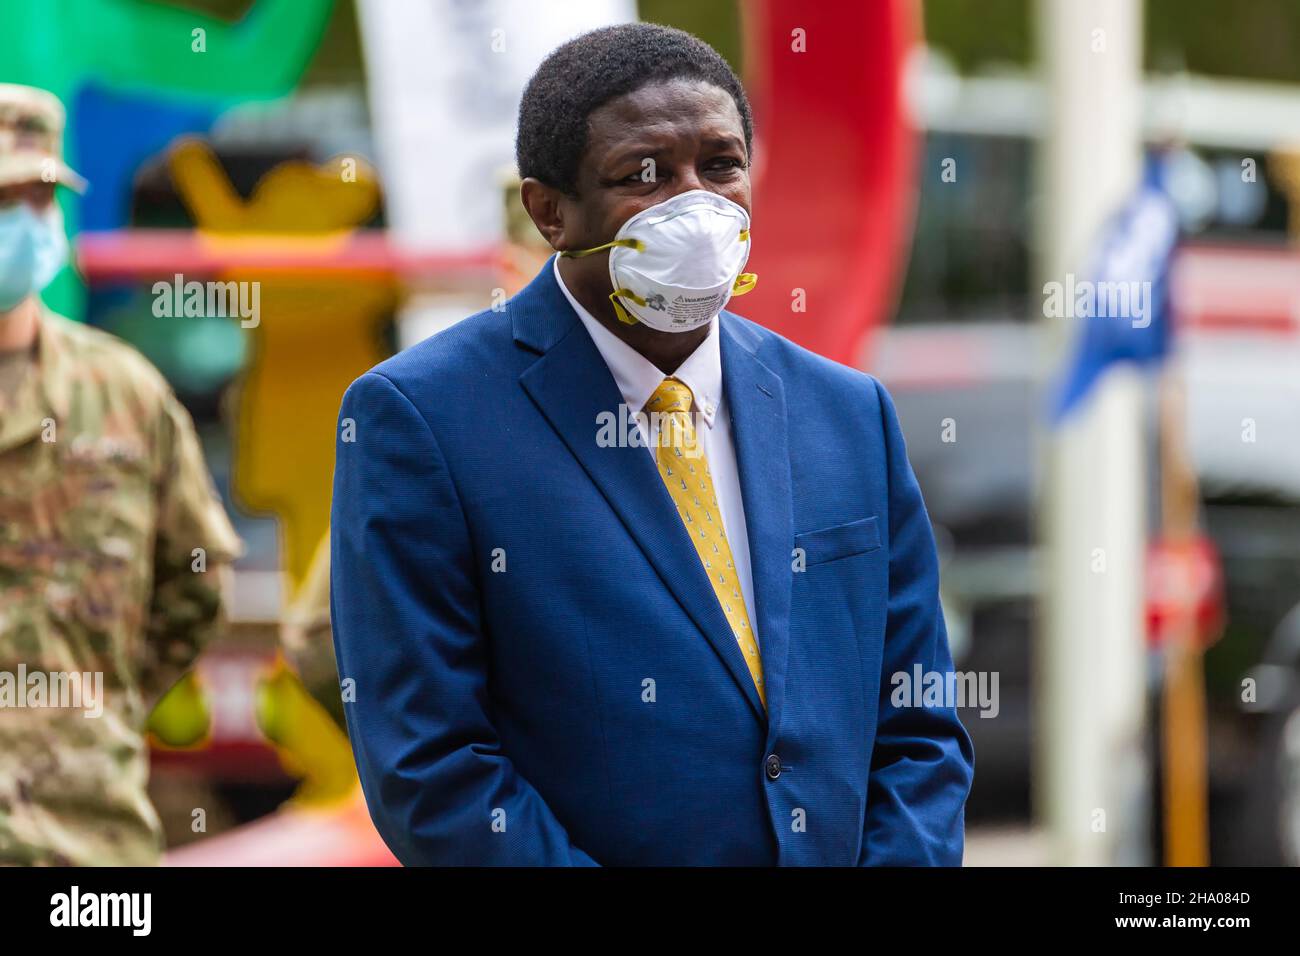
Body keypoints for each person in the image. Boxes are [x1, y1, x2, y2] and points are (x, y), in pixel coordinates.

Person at [330, 24, 973, 866]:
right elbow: (433, 768)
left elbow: (919, 729)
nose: (695, 204)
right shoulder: (421, 420)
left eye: (721, 165)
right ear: (550, 211)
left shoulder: (848, 412)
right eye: (644, 174)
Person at [0, 83, 241, 865]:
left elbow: (193, 583)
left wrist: (89, 716)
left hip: (86, 843)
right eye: (5, 197)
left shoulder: (123, 393)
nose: (26, 222)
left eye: (40, 197)